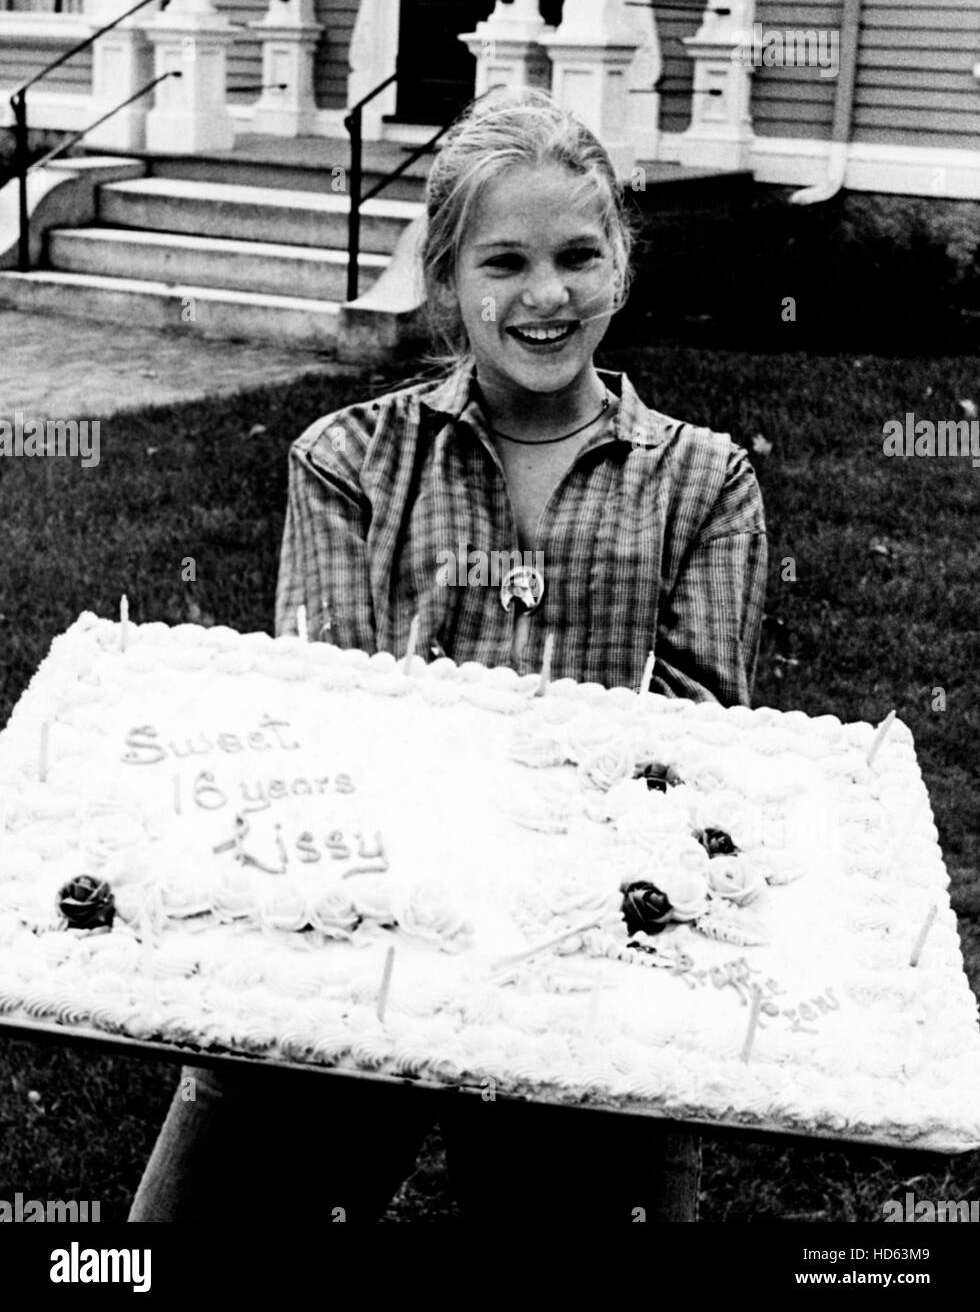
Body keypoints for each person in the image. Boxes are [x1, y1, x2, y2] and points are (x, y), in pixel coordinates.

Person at [130, 86, 767, 1224]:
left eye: (578, 255)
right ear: (445, 282)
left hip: (589, 975)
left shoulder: (701, 482)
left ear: (619, 264)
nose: (544, 296)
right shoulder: (347, 461)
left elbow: (685, 751)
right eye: (502, 263)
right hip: (356, 949)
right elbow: (334, 722)